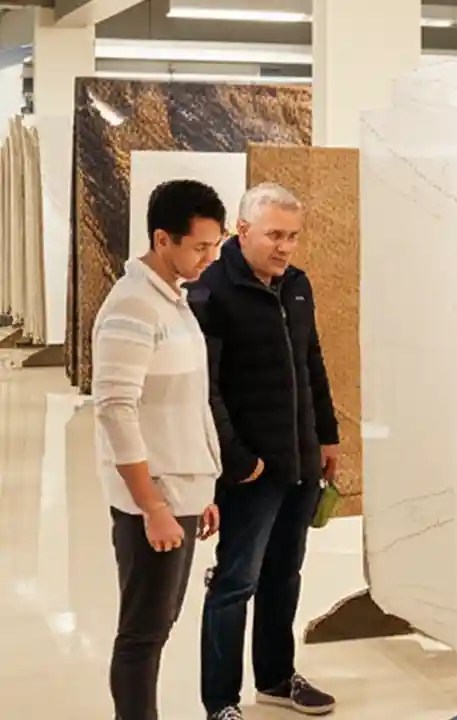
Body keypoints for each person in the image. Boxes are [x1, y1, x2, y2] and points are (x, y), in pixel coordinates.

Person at [190, 182, 339, 720]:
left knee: (284, 574)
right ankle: (220, 702)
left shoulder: (297, 285)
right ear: (243, 229)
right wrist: (237, 460)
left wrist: (326, 436)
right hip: (251, 471)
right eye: (274, 235)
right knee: (235, 583)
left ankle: (276, 678)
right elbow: (205, 387)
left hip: (298, 460)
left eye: (293, 237)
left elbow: (312, 364)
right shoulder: (211, 291)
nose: (285, 247)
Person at [92, 179, 226, 720]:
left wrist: (202, 488)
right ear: (162, 238)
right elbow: (115, 410)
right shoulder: (132, 306)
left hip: (182, 494)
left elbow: (185, 406)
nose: (210, 258)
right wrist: (153, 506)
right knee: (143, 634)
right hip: (156, 502)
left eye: (216, 246)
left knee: (161, 622)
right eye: (200, 247)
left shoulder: (174, 301)